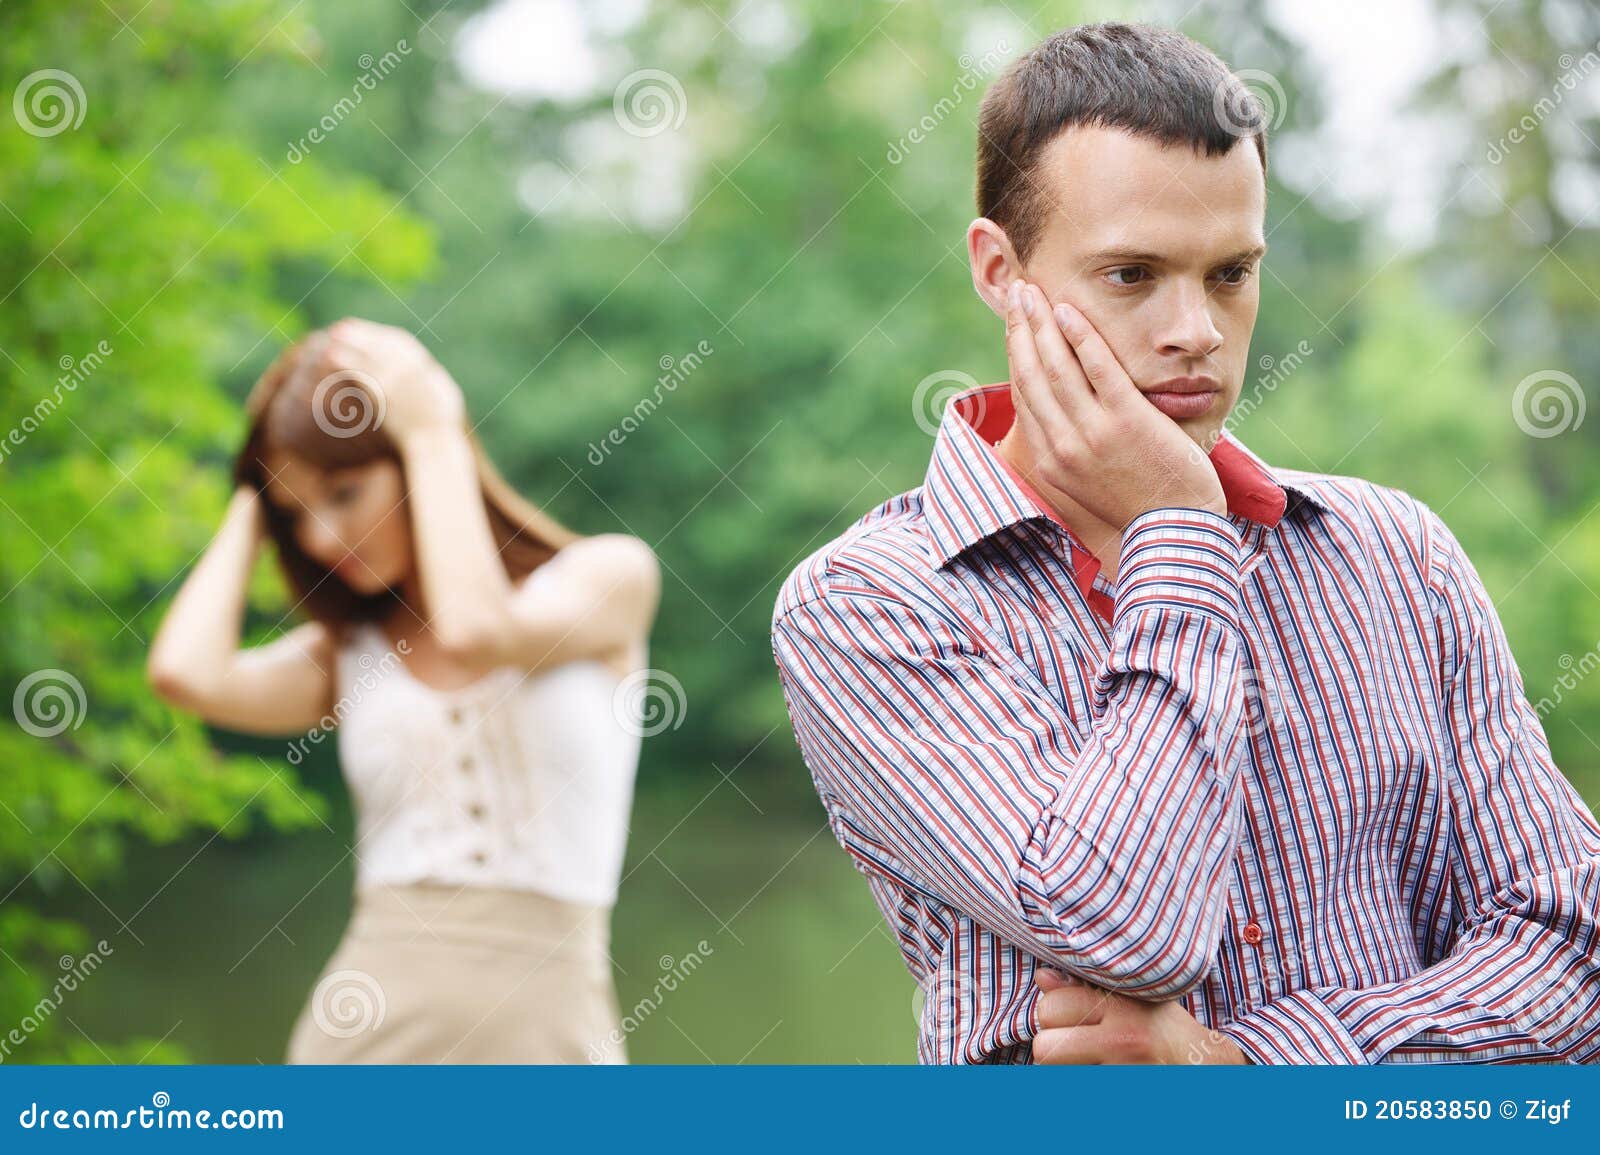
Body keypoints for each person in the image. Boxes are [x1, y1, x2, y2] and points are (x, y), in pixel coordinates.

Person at [769, 22, 1600, 1064]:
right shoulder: (867, 604)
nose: (1196, 330)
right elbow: (1129, 927)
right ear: (1000, 270)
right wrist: (1179, 531)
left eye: (1230, 273)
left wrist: (1251, 1067)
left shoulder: (1398, 557)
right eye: (1132, 274)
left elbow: (1577, 946)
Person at [147, 318, 659, 1063]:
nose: (320, 538)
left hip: (553, 1039)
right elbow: (185, 674)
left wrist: (430, 428)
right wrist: (253, 497)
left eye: (344, 492)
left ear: (418, 457)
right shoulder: (350, 655)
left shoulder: (606, 579)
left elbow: (477, 630)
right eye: (297, 514)